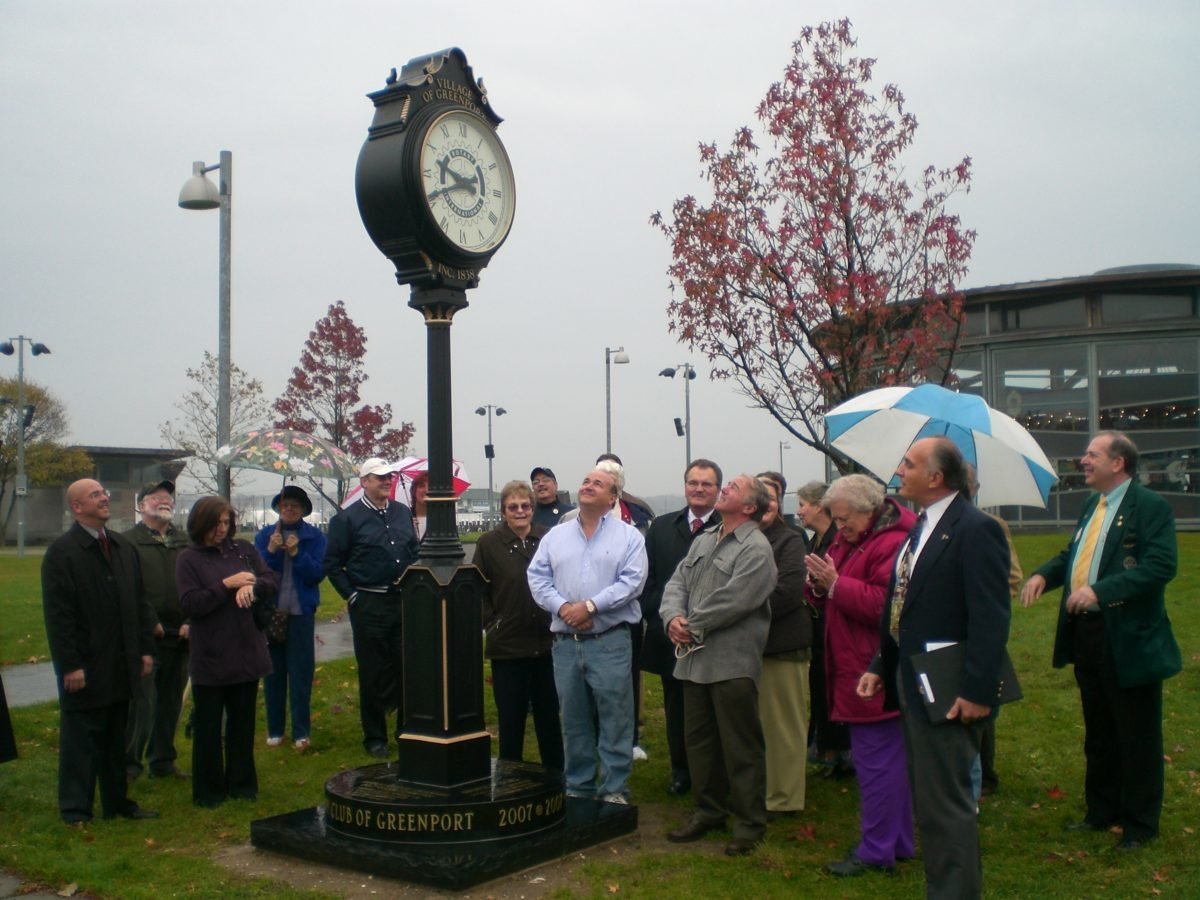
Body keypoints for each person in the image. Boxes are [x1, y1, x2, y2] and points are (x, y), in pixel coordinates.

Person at [860, 437, 1011, 899]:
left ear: (936, 477)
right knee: (931, 801)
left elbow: (990, 616)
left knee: (946, 805)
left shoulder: (975, 528)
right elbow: (904, 605)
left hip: (950, 685)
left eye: (909, 464)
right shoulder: (919, 527)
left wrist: (978, 691)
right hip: (913, 678)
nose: (899, 470)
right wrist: (881, 663)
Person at [1021, 431, 1180, 851]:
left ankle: (1140, 824)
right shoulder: (1093, 505)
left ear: (1119, 463)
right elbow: (1073, 554)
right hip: (1088, 635)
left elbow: (1161, 566)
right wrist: (1043, 574)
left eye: (1092, 454)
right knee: (1100, 729)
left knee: (1137, 733)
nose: (1083, 460)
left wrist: (1101, 591)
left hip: (1130, 638)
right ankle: (1101, 810)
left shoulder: (1150, 507)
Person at [661, 475, 777, 857]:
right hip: (694, 665)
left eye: (735, 488)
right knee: (700, 744)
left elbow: (736, 599)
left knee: (740, 748)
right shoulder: (703, 540)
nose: (725, 488)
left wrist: (690, 624)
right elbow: (676, 583)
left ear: (749, 507)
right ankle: (708, 812)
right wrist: (672, 618)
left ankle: (748, 824)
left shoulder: (757, 549)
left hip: (731, 664)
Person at [806, 474, 916, 876]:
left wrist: (836, 585)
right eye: (835, 518)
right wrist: (819, 586)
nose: (839, 526)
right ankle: (897, 842)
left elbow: (885, 607)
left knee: (876, 765)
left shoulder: (890, 543)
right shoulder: (853, 538)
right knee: (889, 762)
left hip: (872, 668)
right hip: (854, 663)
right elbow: (834, 586)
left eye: (844, 517)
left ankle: (876, 850)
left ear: (868, 511)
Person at [42, 479, 158, 824]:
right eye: (95, 495)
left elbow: (138, 603)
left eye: (104, 493)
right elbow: (59, 616)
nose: (104, 498)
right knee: (81, 740)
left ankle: (116, 802)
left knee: (114, 738)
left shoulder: (122, 547)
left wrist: (144, 650)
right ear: (77, 507)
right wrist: (70, 666)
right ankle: (76, 809)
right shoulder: (63, 553)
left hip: (121, 662)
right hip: (86, 666)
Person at [527, 468, 647, 804]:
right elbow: (537, 578)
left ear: (613, 498)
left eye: (598, 483)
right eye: (585, 481)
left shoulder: (629, 537)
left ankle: (613, 788)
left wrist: (591, 607)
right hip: (566, 645)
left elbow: (632, 582)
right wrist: (565, 607)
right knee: (574, 720)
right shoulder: (556, 536)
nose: (588, 485)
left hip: (609, 642)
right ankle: (578, 787)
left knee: (615, 718)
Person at [176, 496, 277, 807]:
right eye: (215, 524)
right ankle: (209, 791)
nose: (221, 529)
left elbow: (271, 579)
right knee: (208, 727)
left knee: (243, 723)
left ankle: (242, 784)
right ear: (200, 523)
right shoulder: (188, 559)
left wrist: (253, 587)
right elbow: (192, 604)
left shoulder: (243, 550)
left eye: (225, 523)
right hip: (212, 654)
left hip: (247, 649)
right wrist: (228, 585)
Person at [324, 458, 420, 758]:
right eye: (379, 477)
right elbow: (333, 564)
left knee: (406, 668)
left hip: (401, 602)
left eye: (388, 476)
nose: (385, 481)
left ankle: (406, 730)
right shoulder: (347, 519)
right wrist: (353, 596)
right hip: (369, 603)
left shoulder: (403, 513)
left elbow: (412, 551)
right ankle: (375, 736)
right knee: (373, 672)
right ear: (364, 481)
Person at [639, 459, 723, 796]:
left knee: (711, 711)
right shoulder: (660, 528)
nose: (699, 489)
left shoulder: (728, 528)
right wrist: (666, 619)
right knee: (675, 709)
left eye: (706, 484)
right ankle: (681, 771)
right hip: (668, 638)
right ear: (685, 486)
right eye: (693, 482)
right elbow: (646, 585)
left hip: (713, 639)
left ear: (718, 490)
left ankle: (713, 774)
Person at [475, 480, 563, 772]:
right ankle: (511, 776)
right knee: (511, 717)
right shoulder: (488, 544)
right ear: (503, 511)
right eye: (513, 507)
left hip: (546, 642)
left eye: (525, 506)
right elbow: (478, 590)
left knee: (548, 714)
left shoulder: (548, 538)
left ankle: (555, 774)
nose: (520, 511)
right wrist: (492, 622)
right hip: (507, 645)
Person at [123, 480, 189, 782]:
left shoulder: (185, 541)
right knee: (142, 703)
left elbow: (195, 582)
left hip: (182, 634)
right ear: (141, 505)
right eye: (156, 497)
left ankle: (162, 761)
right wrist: (149, 621)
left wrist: (192, 619)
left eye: (168, 497)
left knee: (171, 701)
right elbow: (129, 589)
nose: (164, 501)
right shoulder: (127, 543)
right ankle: (129, 764)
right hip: (147, 636)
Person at [964, 462, 1023, 799]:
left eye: (969, 483)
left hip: (982, 627)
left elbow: (1012, 576)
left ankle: (986, 774)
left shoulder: (991, 525)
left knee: (984, 702)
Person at [755, 473, 811, 817]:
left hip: (782, 645)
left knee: (783, 728)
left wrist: (737, 614)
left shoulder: (789, 541)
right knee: (756, 727)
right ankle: (760, 790)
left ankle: (784, 798)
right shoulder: (734, 538)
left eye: (771, 498)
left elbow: (788, 592)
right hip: (747, 648)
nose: (764, 504)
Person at [255, 485, 326, 752]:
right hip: (272, 615)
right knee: (273, 673)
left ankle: (301, 731)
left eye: (294, 506)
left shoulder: (315, 537)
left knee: (300, 673)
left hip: (300, 615)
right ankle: (275, 730)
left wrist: (297, 555)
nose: (289, 509)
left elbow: (317, 573)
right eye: (285, 505)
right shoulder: (265, 536)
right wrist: (271, 553)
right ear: (278, 508)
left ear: (303, 510)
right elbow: (257, 573)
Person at [797, 480, 850, 779]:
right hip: (816, 625)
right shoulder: (814, 539)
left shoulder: (836, 539)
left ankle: (843, 755)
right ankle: (828, 751)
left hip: (833, 625)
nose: (800, 511)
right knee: (820, 690)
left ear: (819, 505)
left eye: (803, 504)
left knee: (834, 689)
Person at [408, 471, 429, 540]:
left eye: (430, 486)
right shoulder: (404, 517)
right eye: (421, 486)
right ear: (414, 491)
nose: (426, 490)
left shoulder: (442, 518)